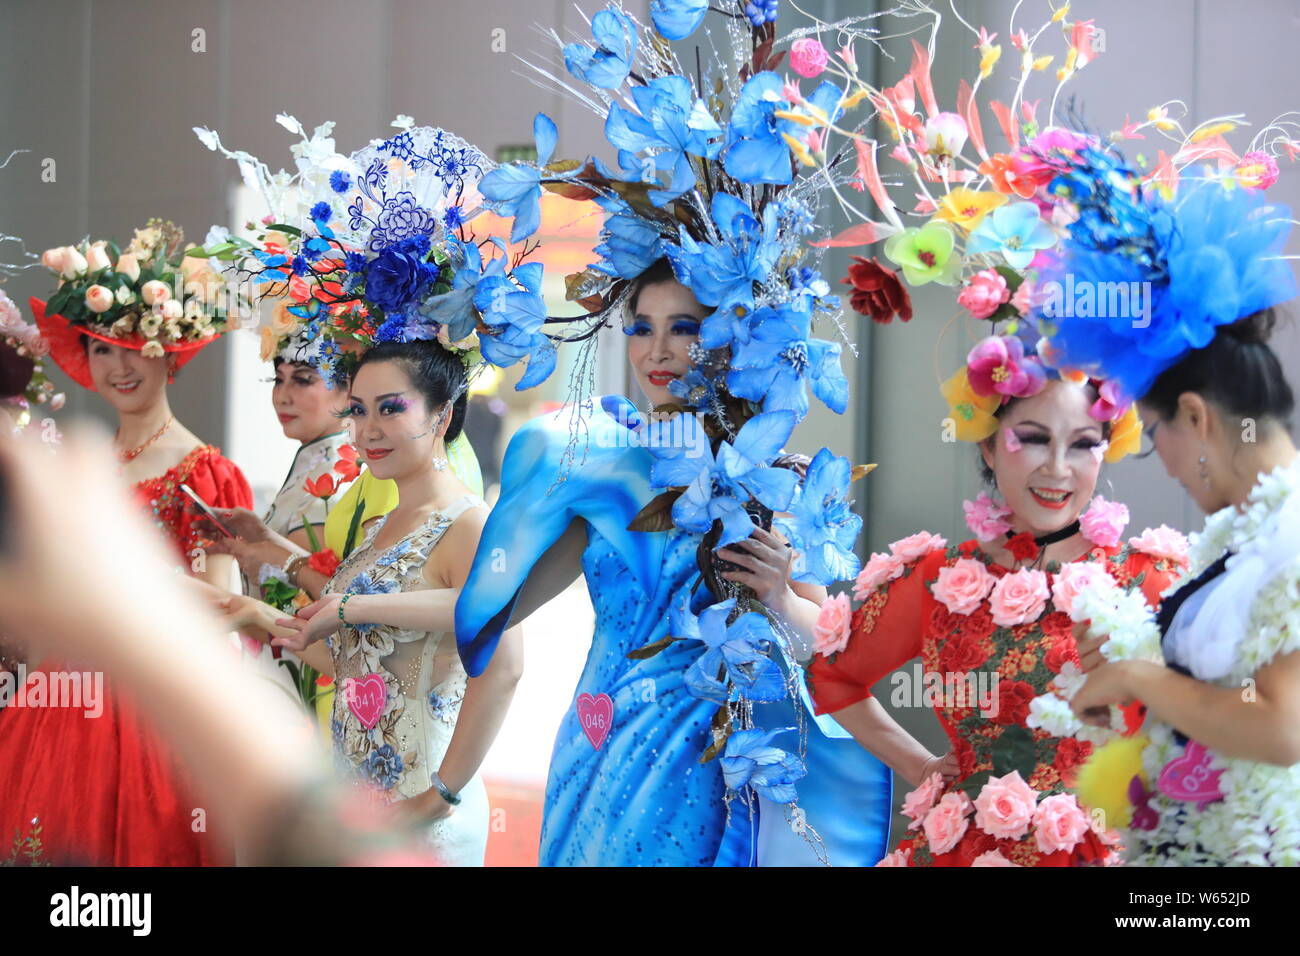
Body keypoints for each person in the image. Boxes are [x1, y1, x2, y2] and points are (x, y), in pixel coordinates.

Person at [807, 358, 1182, 865]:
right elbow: (833, 677)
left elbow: (1236, 719)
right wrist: (921, 768)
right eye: (1031, 438)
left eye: (1082, 443)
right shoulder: (939, 579)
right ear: (987, 442)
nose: (1056, 467)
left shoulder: (1151, 582)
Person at [1042, 141, 1300, 865]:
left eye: (1156, 434)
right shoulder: (1243, 534)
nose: (1171, 466)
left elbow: (1282, 728)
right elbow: (1222, 684)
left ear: (1196, 416)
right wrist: (1130, 651)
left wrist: (1137, 676)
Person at [0, 222, 255, 864]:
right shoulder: (81, 465)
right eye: (101, 349)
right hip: (56, 695)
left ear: (169, 351)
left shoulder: (208, 473)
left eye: (135, 345)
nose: (119, 366)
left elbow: (219, 608)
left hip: (152, 702)